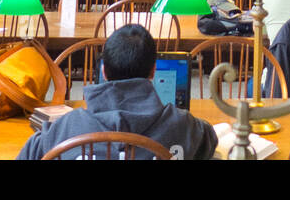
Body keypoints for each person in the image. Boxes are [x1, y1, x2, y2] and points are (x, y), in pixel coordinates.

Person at [16, 25, 217, 160]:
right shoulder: (184, 125)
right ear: (153, 71)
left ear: (103, 71)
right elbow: (211, 141)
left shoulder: (63, 129)